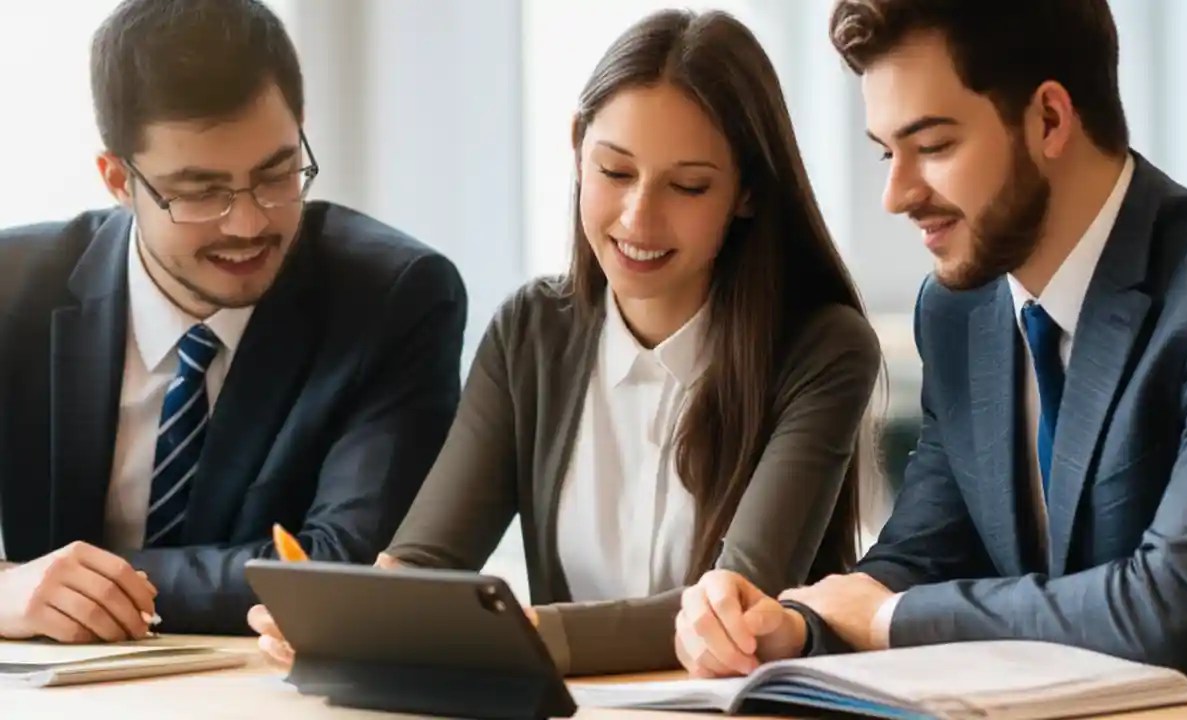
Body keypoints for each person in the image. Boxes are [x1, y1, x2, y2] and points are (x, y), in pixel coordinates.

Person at [674, 0, 1187, 700]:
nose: (896, 195)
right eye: (885, 152)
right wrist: (790, 624)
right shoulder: (960, 312)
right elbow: (924, 551)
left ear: (1050, 119)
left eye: (932, 147)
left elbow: (1167, 611)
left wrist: (885, 617)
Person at [249, 8, 882, 677]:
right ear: (577, 147)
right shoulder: (532, 330)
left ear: (747, 191)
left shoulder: (823, 349)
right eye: (614, 171)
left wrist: (511, 634)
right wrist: (353, 617)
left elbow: (736, 611)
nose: (639, 217)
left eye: (688, 186)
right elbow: (427, 562)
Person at [0, 0, 465, 639]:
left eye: (276, 174)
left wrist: (59, 585)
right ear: (117, 179)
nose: (247, 224)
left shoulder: (393, 298)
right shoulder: (12, 289)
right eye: (200, 193)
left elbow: (342, 571)